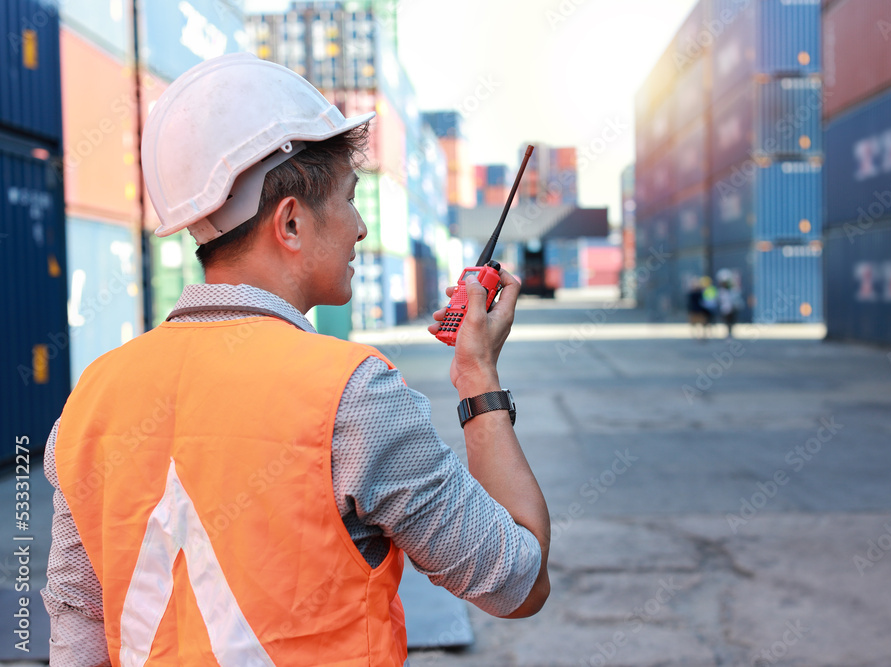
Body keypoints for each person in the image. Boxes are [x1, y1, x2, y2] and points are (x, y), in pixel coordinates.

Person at [42, 54, 549, 666]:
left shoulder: (89, 401)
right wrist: (478, 376)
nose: (360, 228)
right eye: (350, 198)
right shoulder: (351, 396)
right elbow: (518, 582)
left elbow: (78, 638)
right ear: (290, 222)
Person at [716, 269, 742, 340]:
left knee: (732, 321)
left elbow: (736, 297)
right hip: (725, 309)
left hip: (732, 308)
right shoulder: (721, 291)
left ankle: (730, 333)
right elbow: (720, 300)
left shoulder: (732, 290)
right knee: (726, 321)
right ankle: (728, 333)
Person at [685, 276, 708, 341]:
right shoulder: (692, 293)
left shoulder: (699, 293)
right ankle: (696, 335)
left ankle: (702, 335)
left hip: (699, 310)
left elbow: (703, 301)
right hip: (694, 310)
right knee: (694, 323)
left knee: (702, 323)